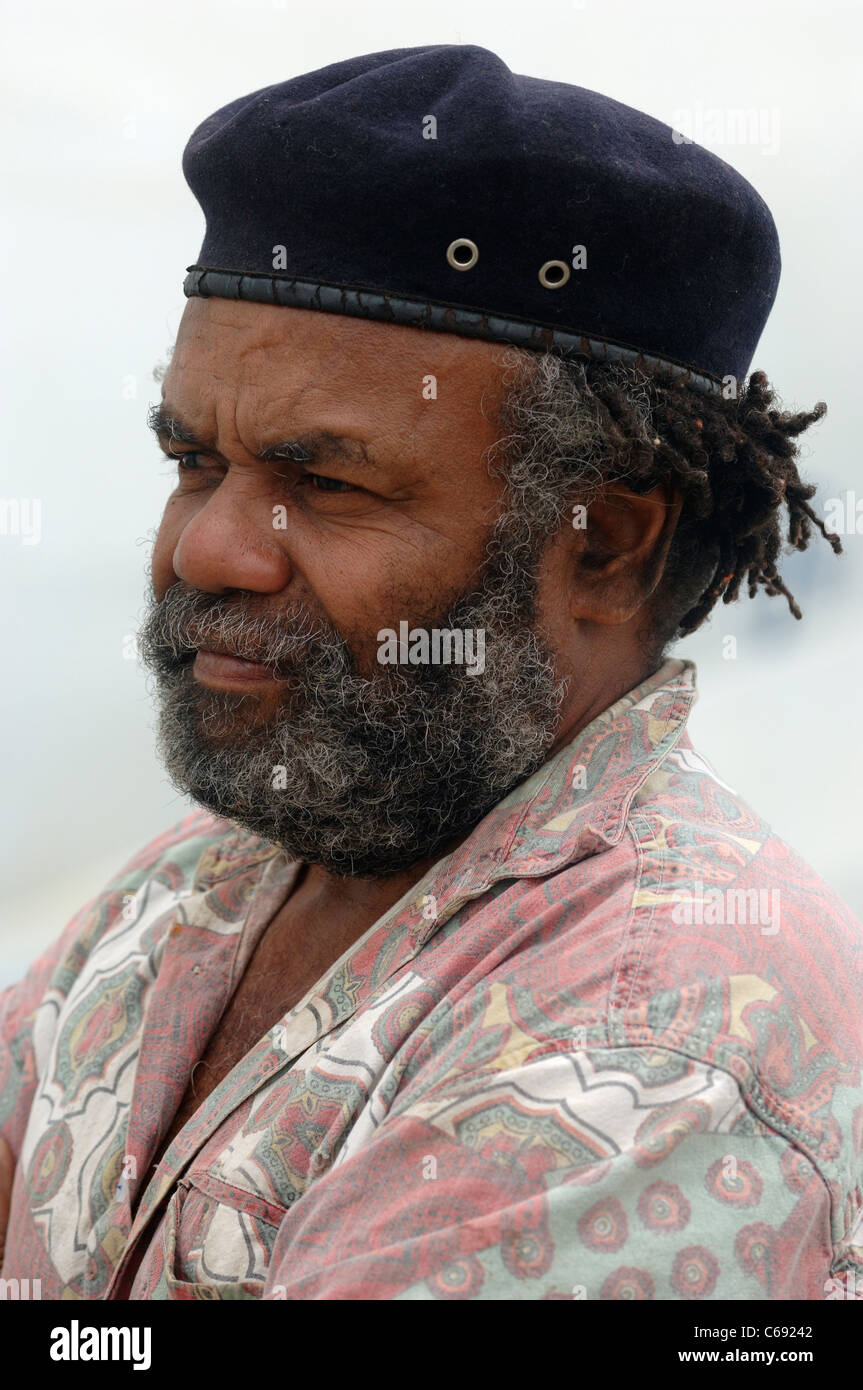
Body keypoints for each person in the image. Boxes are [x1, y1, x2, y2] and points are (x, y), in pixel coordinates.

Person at [1, 44, 860, 1301]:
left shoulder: (647, 1045)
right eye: (195, 462)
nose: (208, 549)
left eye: (323, 483)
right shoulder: (217, 874)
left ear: (605, 547)